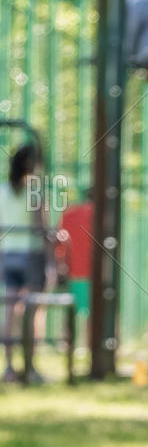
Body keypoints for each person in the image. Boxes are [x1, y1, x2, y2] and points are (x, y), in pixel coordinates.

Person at [1, 143, 52, 383]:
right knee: (33, 311)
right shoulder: (34, 189)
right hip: (31, 255)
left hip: (8, 254)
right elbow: (40, 226)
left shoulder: (4, 190)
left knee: (10, 311)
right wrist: (52, 259)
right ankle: (31, 368)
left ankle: (9, 367)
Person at [56, 186, 95, 349]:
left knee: (70, 311)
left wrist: (60, 265)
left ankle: (67, 345)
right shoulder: (98, 215)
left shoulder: (69, 214)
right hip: (93, 272)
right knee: (93, 313)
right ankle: (91, 346)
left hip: (71, 270)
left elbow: (59, 242)